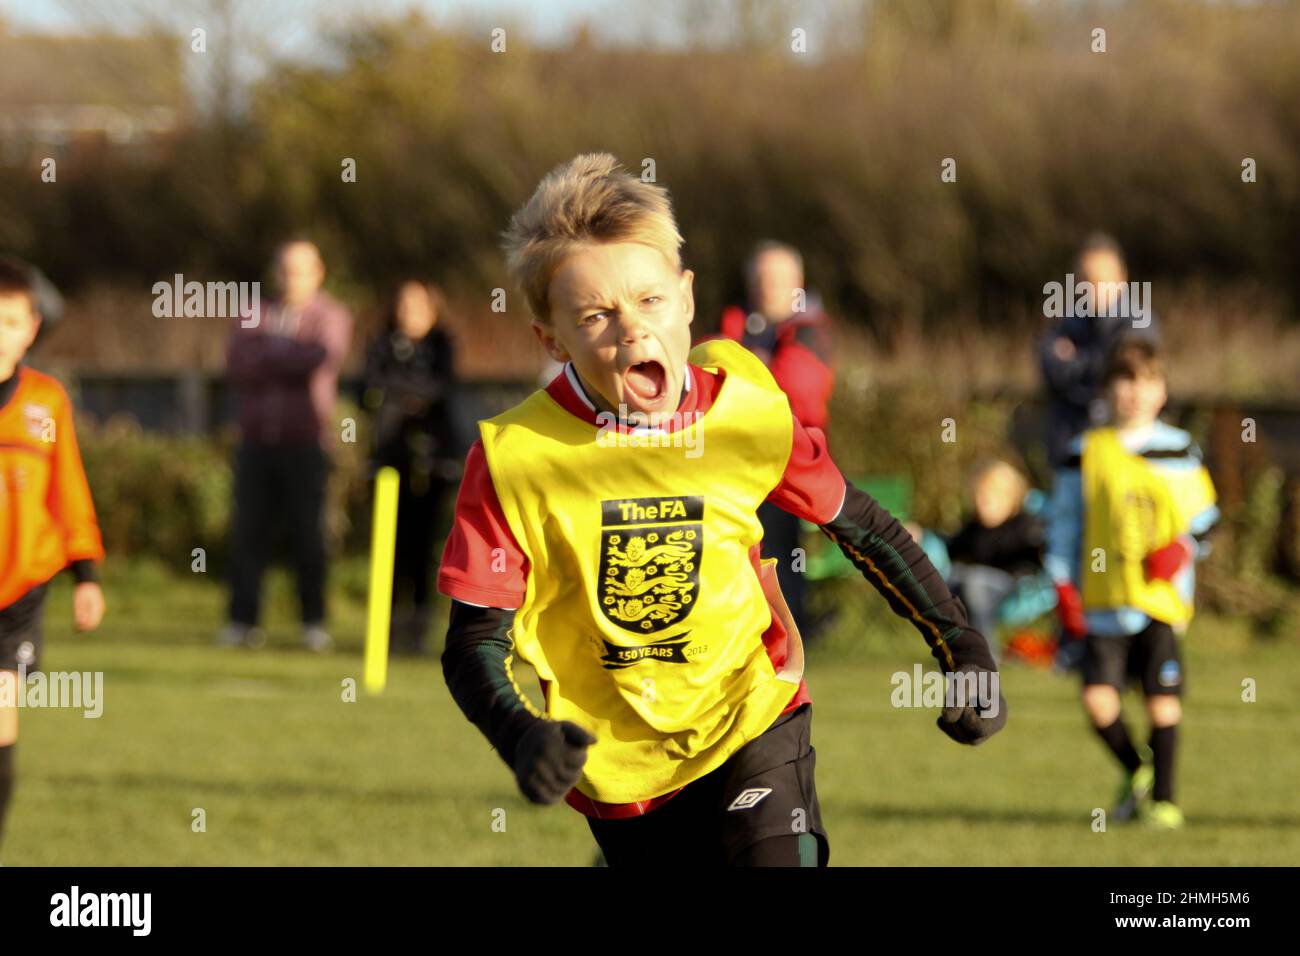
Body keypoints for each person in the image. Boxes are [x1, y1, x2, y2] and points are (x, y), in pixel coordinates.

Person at [437, 153, 1005, 867]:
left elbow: (861, 526)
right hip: (622, 770)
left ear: (687, 296)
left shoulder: (745, 410)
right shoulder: (514, 455)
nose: (634, 332)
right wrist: (520, 734)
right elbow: (474, 641)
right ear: (550, 339)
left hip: (754, 718)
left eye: (650, 301)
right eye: (596, 316)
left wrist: (962, 647)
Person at [1046, 340, 1218, 830]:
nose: (1136, 393)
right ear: (1107, 390)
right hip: (1102, 603)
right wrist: (1062, 585)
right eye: (1125, 381)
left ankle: (1165, 801)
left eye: (1147, 382)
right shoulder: (1085, 452)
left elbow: (1208, 520)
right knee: (1098, 701)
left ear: (1161, 391)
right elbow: (1063, 526)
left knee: (1163, 701)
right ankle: (1136, 769)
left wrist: (1181, 549)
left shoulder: (1178, 449)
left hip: (1160, 602)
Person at [0, 256, 106, 860]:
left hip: (18, 591)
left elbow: (69, 493)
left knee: (2, 725)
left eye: (11, 320)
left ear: (32, 327)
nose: (1, 331)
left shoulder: (46, 402)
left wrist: (86, 576)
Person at [223, 239, 353, 652]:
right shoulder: (253, 312)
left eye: (299, 269)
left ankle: (312, 622)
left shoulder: (332, 315)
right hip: (256, 441)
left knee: (308, 534)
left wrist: (269, 355)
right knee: (248, 533)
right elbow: (238, 362)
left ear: (318, 273)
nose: (290, 277)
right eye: (284, 268)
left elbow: (318, 357)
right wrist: (284, 355)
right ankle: (242, 622)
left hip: (306, 442)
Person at [714, 241, 834, 635]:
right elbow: (700, 374)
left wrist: (740, 379)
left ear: (798, 283)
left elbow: (795, 391)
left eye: (779, 280)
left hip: (789, 461)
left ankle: (789, 634)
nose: (769, 287)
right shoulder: (734, 326)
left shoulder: (811, 332)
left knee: (781, 554)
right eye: (763, 279)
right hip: (730, 464)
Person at [362, 280, 459, 655]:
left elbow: (441, 388)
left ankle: (418, 627)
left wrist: (407, 395)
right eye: (403, 306)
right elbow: (372, 389)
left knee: (424, 545)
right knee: (390, 545)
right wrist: (406, 396)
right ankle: (384, 627)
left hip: (432, 463)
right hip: (390, 461)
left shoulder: (441, 346)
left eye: (418, 307)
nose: (408, 315)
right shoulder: (381, 344)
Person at [1039, 233, 1161, 469]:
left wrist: (1077, 361)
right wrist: (1096, 362)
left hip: (1125, 456)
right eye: (1085, 280)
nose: (1092, 288)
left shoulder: (1141, 322)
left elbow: (1121, 369)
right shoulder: (1065, 320)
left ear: (1121, 279)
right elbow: (1049, 367)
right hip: (1070, 452)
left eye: (1101, 280)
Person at [945, 457, 1046, 657]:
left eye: (989, 499)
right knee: (952, 580)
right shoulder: (975, 526)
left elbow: (1036, 560)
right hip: (977, 587)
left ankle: (984, 656)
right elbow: (951, 547)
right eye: (979, 498)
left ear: (1010, 497)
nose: (983, 505)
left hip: (1016, 589)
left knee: (976, 582)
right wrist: (922, 536)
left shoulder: (1025, 525)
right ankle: (955, 650)